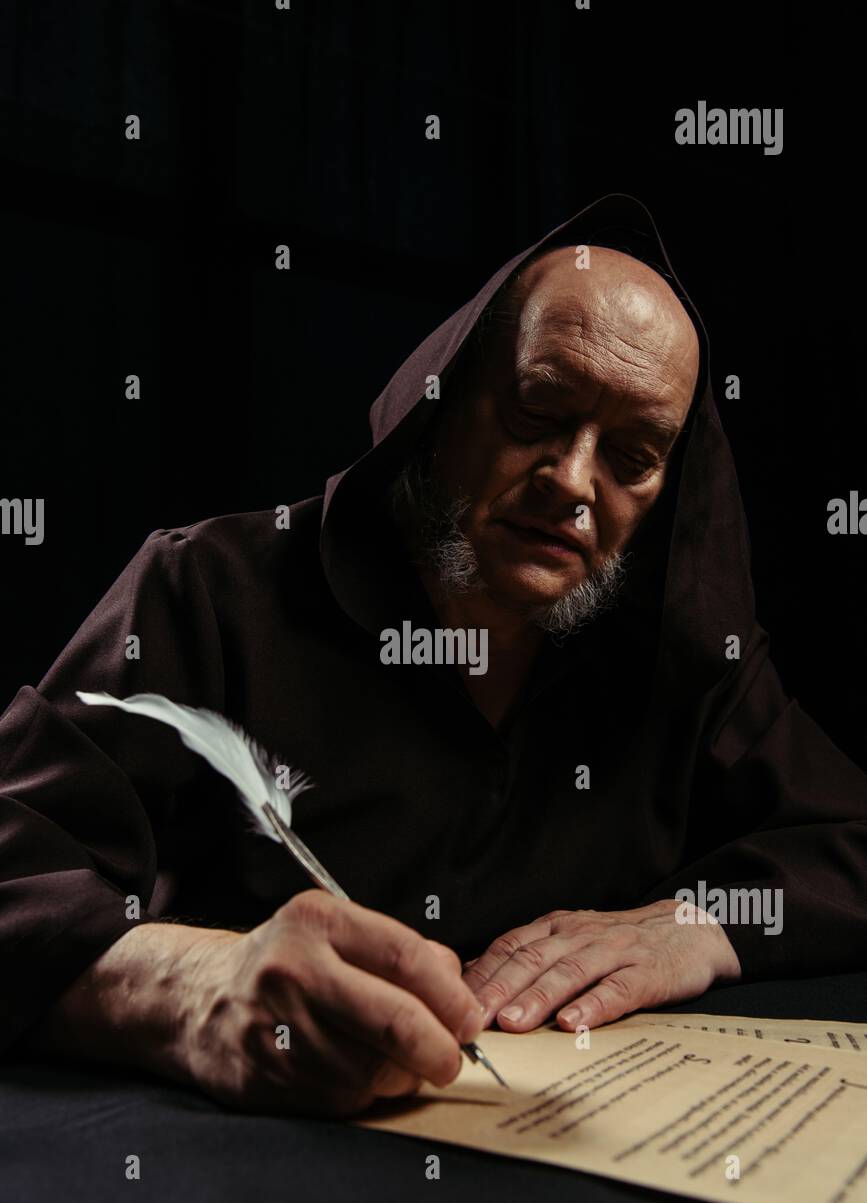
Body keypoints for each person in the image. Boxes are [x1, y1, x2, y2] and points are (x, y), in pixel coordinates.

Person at [2, 195, 865, 1117]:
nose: (573, 482)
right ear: (444, 399)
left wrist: (699, 923)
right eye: (538, 411)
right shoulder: (206, 593)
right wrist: (187, 990)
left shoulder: (685, 658)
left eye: (632, 454)